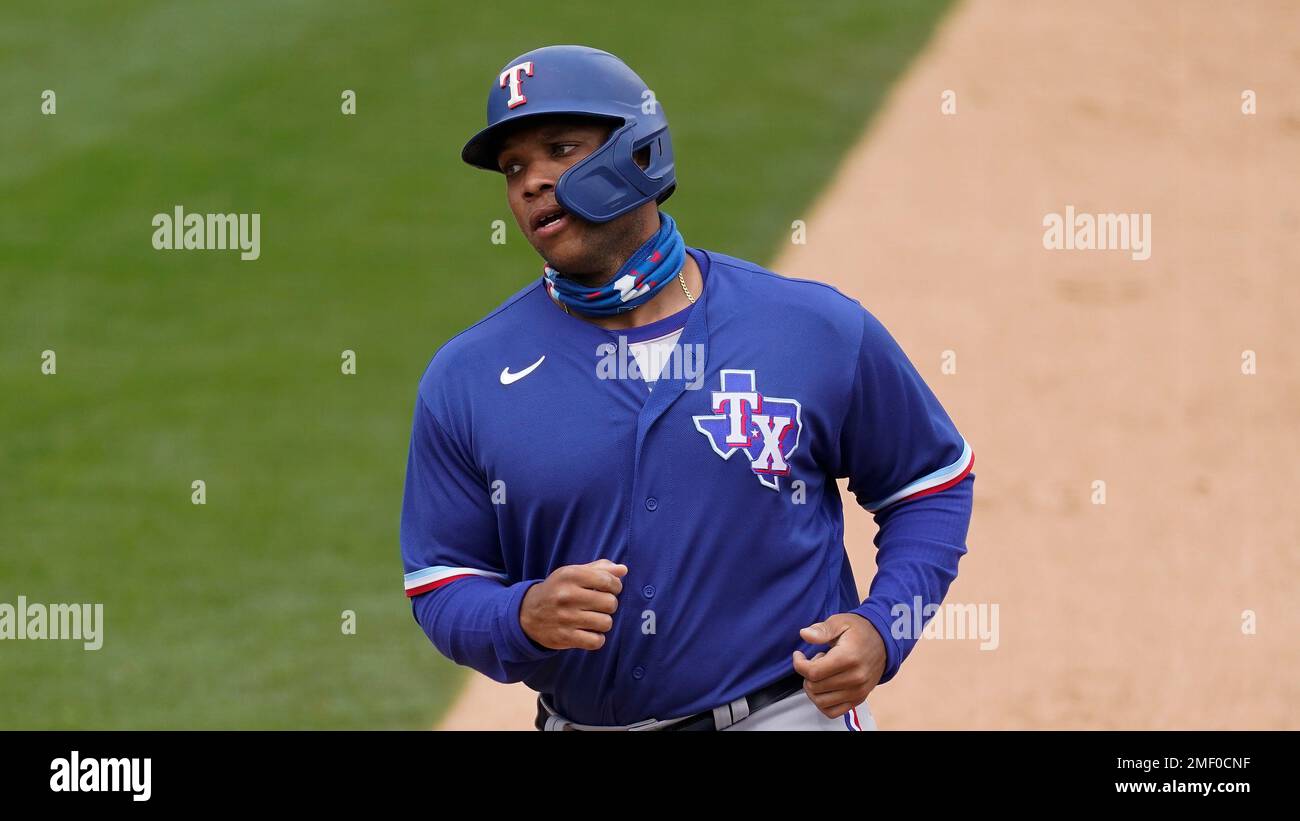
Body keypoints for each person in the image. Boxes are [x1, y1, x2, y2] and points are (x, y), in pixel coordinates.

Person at [400, 45, 974, 731]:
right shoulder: (467, 378)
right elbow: (440, 582)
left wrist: (884, 628)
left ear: (638, 154)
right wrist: (518, 615)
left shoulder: (809, 328)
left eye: (560, 148)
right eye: (514, 167)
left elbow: (930, 483)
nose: (531, 181)